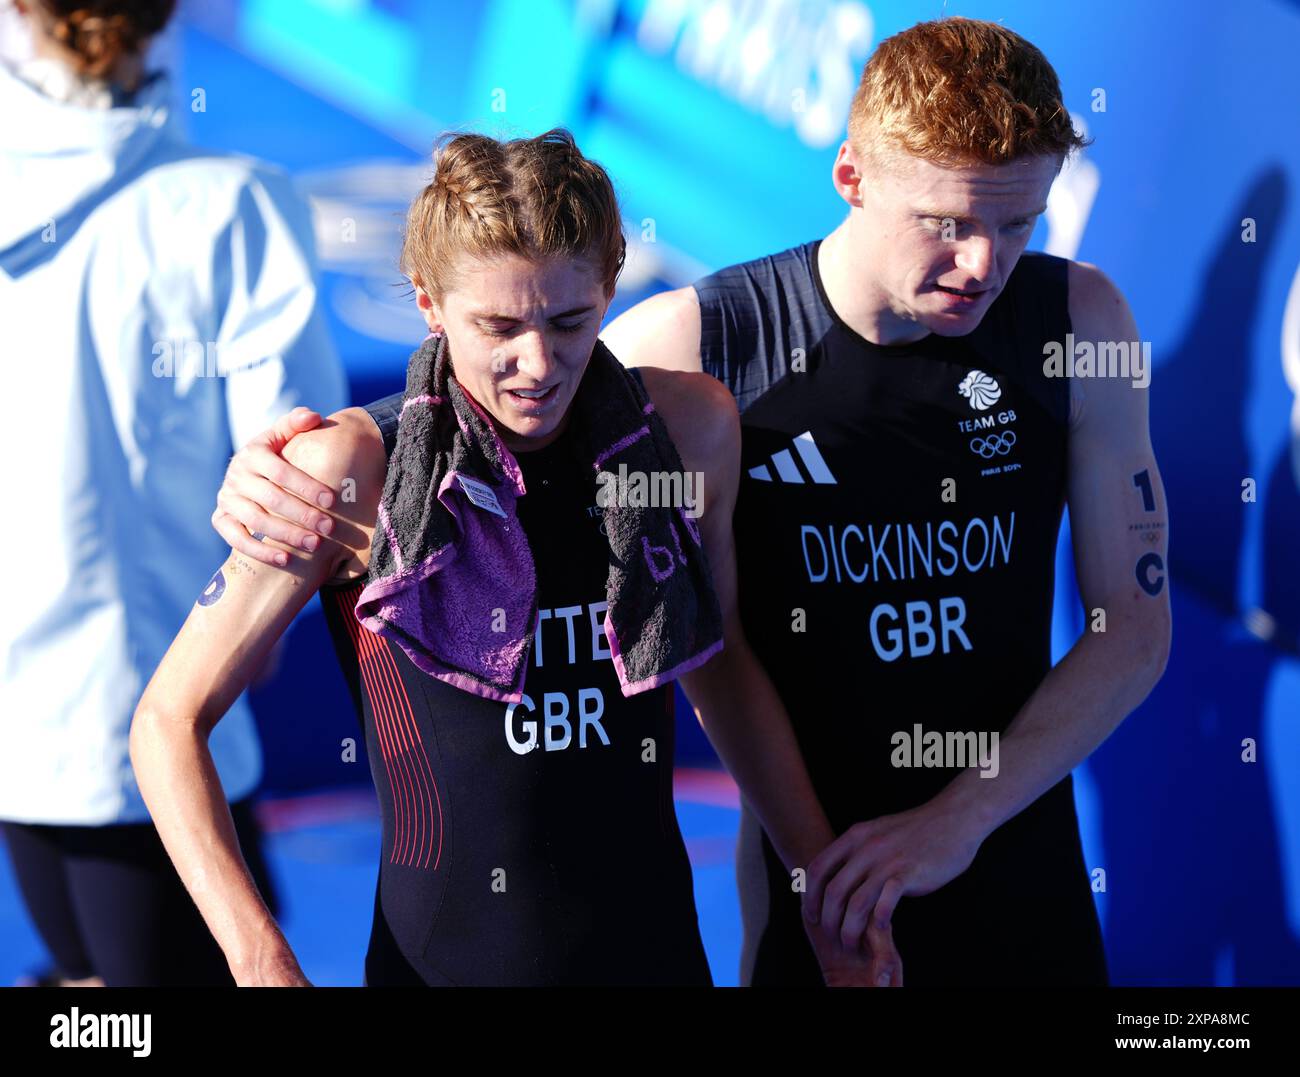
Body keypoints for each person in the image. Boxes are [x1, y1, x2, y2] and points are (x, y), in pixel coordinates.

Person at [213, 17, 1172, 987]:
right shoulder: (700, 346)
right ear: (850, 176)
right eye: (948, 223)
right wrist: (301, 457)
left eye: (1018, 225)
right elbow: (503, 398)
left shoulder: (1075, 321)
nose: (983, 265)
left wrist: (954, 822)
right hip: (817, 874)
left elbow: (1131, 630)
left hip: (1015, 850)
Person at [131, 128, 896, 987]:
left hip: (655, 961)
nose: (538, 364)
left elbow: (716, 663)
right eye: (497, 325)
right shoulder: (354, 469)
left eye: (570, 319)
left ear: (610, 283)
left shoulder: (685, 431)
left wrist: (820, 881)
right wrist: (258, 956)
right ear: (427, 302)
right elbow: (167, 720)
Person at [0, 0, 347, 986]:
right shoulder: (233, 201)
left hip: (22, 722)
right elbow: (299, 467)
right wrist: (255, 630)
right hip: (165, 716)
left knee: (86, 985)